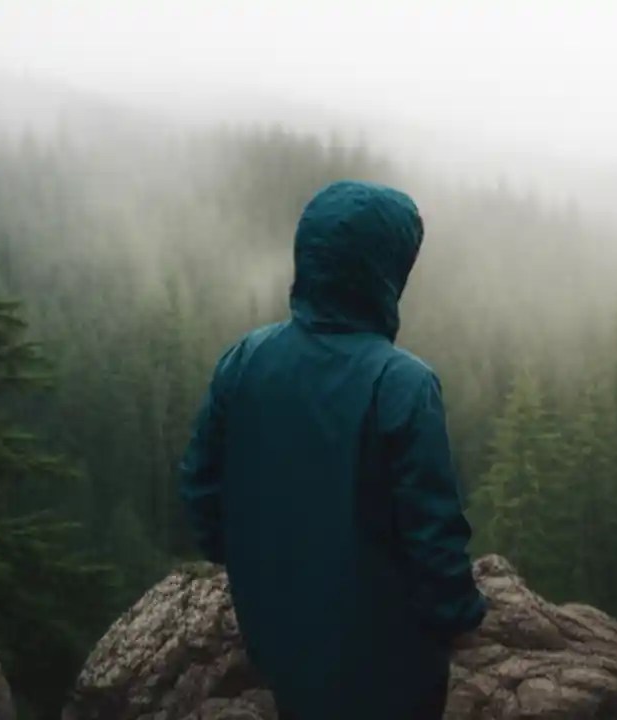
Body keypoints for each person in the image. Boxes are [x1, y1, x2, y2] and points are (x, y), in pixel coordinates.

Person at [178, 180, 487, 720]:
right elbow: (432, 534)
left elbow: (201, 488)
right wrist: (460, 619)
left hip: (276, 638)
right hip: (386, 669)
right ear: (383, 271)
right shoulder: (402, 384)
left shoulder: (245, 359)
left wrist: (258, 567)